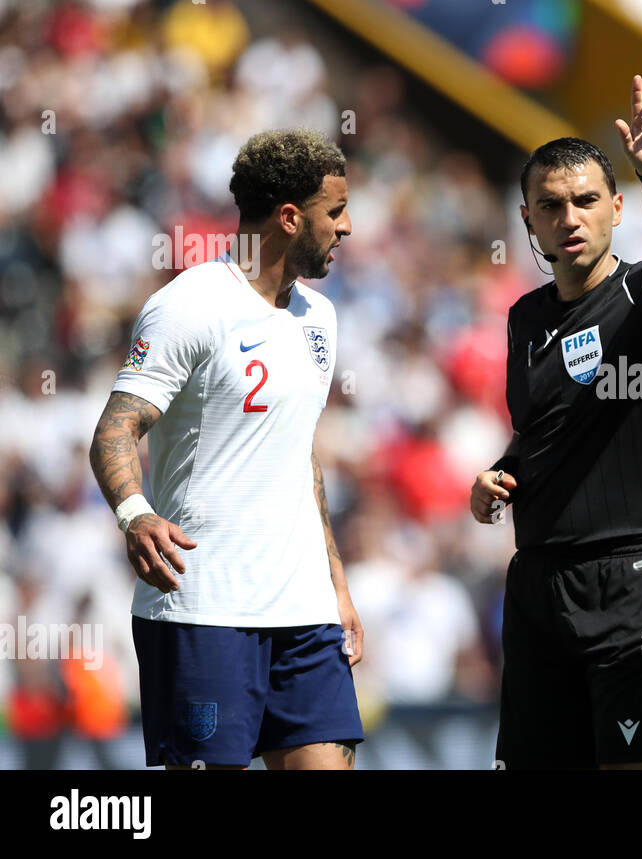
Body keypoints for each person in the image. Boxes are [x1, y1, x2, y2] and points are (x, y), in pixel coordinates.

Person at [88, 127, 364, 770]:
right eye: (336, 211)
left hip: (304, 611)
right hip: (204, 606)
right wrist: (135, 515)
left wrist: (337, 586)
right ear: (290, 218)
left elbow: (299, 453)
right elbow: (115, 429)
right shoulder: (189, 306)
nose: (347, 227)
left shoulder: (319, 317)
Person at [471, 76, 642, 769]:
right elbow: (542, 427)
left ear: (617, 207)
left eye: (586, 200)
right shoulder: (525, 317)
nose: (569, 218)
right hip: (538, 580)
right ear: (528, 219)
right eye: (550, 205)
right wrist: (499, 473)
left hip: (632, 577)